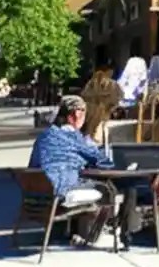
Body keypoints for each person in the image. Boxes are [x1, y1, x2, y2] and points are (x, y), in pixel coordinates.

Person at [27, 95, 123, 244]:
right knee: (108, 189)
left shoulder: (43, 136)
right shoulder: (74, 137)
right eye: (84, 113)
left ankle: (72, 232)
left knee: (80, 182)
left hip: (35, 197)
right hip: (60, 195)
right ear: (75, 115)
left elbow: (33, 165)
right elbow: (103, 162)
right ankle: (91, 236)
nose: (85, 118)